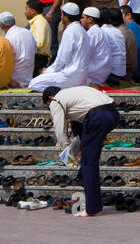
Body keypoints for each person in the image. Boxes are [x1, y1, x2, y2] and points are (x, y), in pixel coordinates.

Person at [43, 85, 120, 217]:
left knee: (89, 163)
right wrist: (76, 151)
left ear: (50, 98)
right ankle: (87, 188)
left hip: (97, 117)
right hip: (113, 114)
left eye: (47, 106)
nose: (50, 109)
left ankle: (93, 208)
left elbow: (60, 131)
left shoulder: (56, 101)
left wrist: (66, 151)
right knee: (88, 158)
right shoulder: (74, 93)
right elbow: (80, 132)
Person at [29, 4, 89, 91]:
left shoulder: (70, 31)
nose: (61, 17)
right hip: (81, 75)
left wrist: (47, 71)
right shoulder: (82, 30)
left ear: (66, 17)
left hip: (71, 75)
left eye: (62, 14)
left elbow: (62, 59)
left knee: (34, 83)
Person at [78, 7, 113, 86]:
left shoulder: (92, 34)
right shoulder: (100, 31)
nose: (81, 20)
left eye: (83, 17)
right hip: (102, 71)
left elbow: (84, 55)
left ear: (90, 19)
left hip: (95, 72)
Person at [95, 8, 129, 85]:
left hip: (113, 73)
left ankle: (114, 82)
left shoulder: (102, 32)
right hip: (121, 71)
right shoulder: (116, 30)